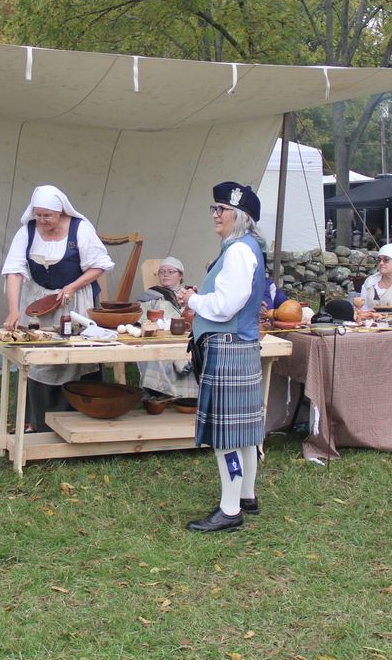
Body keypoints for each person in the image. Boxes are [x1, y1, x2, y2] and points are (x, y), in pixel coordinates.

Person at [176, 181, 267, 533]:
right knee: (244, 433)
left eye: (221, 210)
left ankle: (230, 510)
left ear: (241, 217)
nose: (215, 215)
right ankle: (246, 495)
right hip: (237, 346)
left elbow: (227, 305)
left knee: (226, 435)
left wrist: (192, 301)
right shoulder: (241, 248)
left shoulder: (240, 252)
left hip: (228, 348)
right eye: (213, 209)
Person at [1, 185, 115, 432]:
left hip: (74, 301)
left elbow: (99, 266)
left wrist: (73, 287)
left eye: (47, 216)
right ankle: (38, 419)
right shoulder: (27, 232)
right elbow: (13, 271)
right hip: (37, 301)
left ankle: (81, 416)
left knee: (74, 356)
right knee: (40, 357)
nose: (42, 221)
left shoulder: (79, 229)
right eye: (38, 215)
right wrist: (13, 309)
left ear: (60, 211)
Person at [136, 257, 197, 399]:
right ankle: (158, 394)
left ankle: (189, 398)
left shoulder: (191, 295)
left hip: (188, 338)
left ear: (180, 275)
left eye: (171, 271)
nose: (165, 274)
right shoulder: (150, 296)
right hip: (162, 339)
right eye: (162, 272)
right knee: (158, 356)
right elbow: (139, 318)